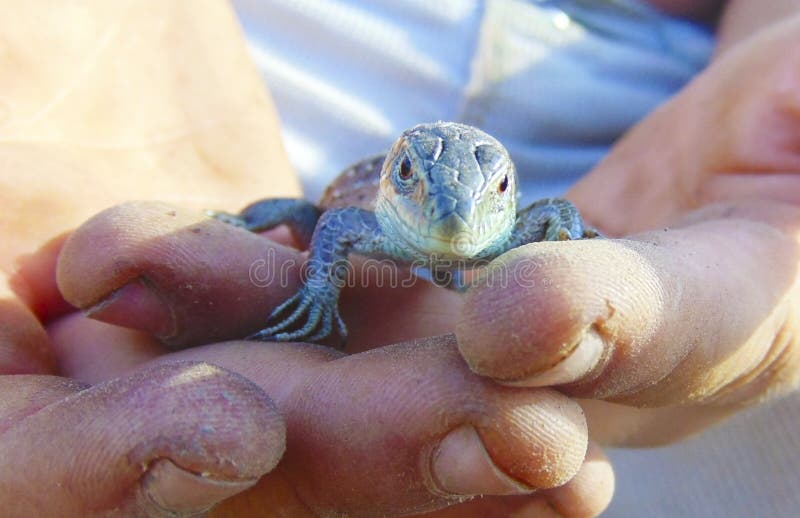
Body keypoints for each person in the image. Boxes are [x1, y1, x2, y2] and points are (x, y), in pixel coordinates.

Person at [1, 0, 799, 516]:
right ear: (401, 181)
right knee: (286, 225)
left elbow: (554, 211)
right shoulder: (372, 223)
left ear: (503, 189)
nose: (453, 213)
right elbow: (338, 233)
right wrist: (319, 290)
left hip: (638, 121)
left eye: (485, 197)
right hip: (271, 126)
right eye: (419, 186)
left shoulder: (517, 212)